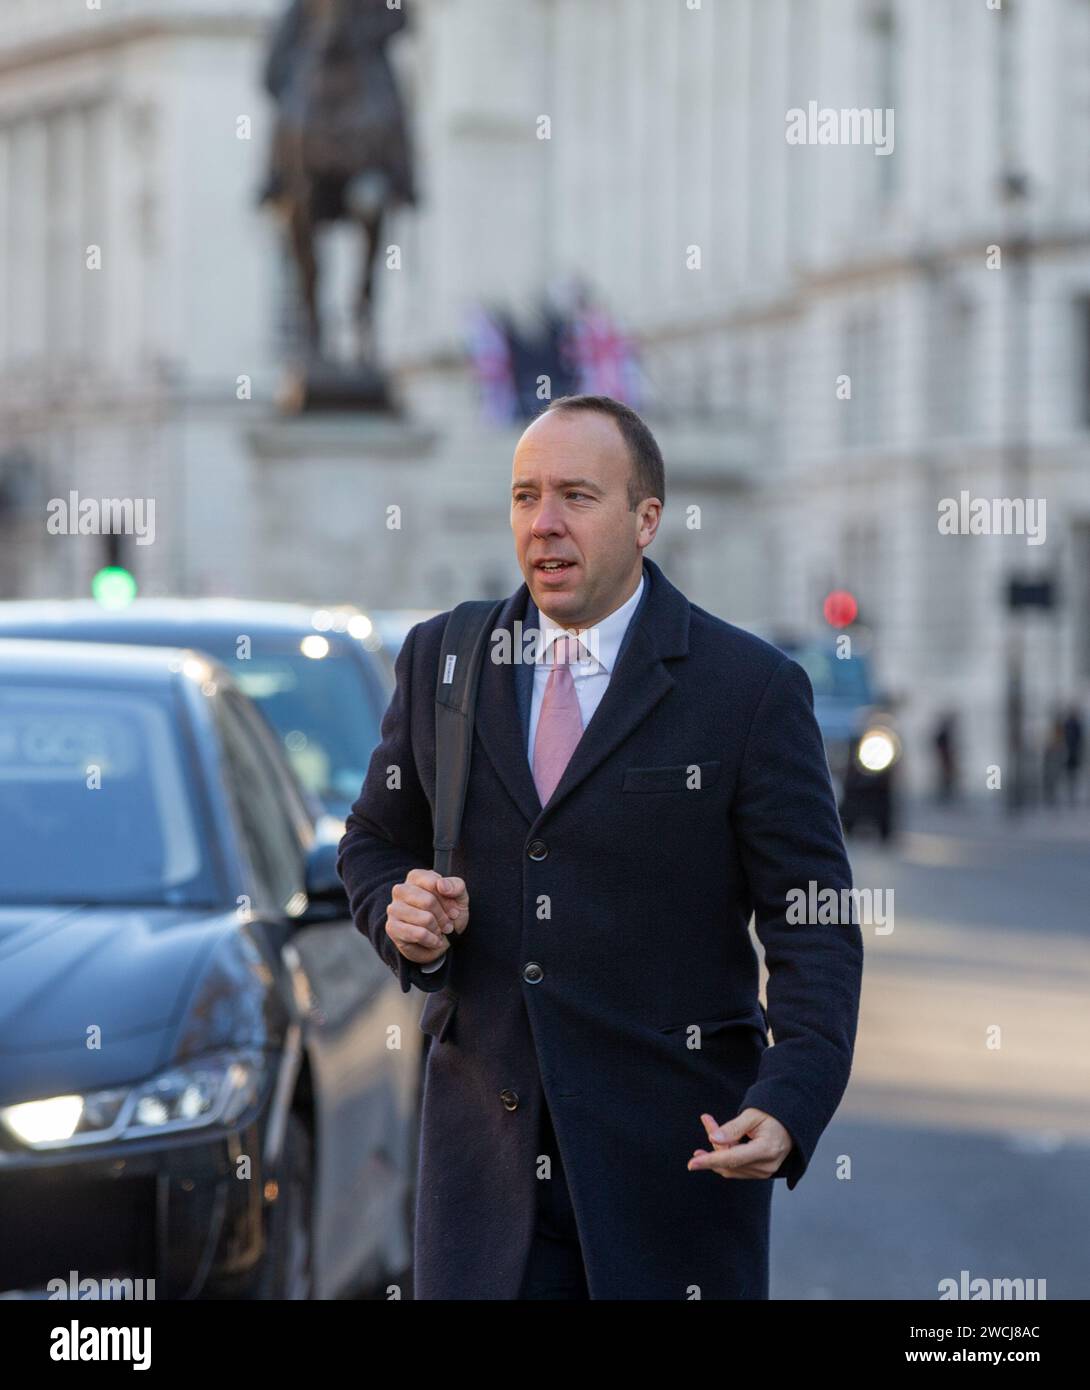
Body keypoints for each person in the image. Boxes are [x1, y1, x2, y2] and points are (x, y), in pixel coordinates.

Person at [337, 395, 864, 1300]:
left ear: (645, 518)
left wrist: (791, 1096)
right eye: (524, 496)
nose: (543, 524)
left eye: (576, 496)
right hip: (483, 1186)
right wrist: (401, 914)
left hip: (674, 1182)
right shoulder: (443, 659)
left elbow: (812, 921)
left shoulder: (749, 689)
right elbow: (374, 843)